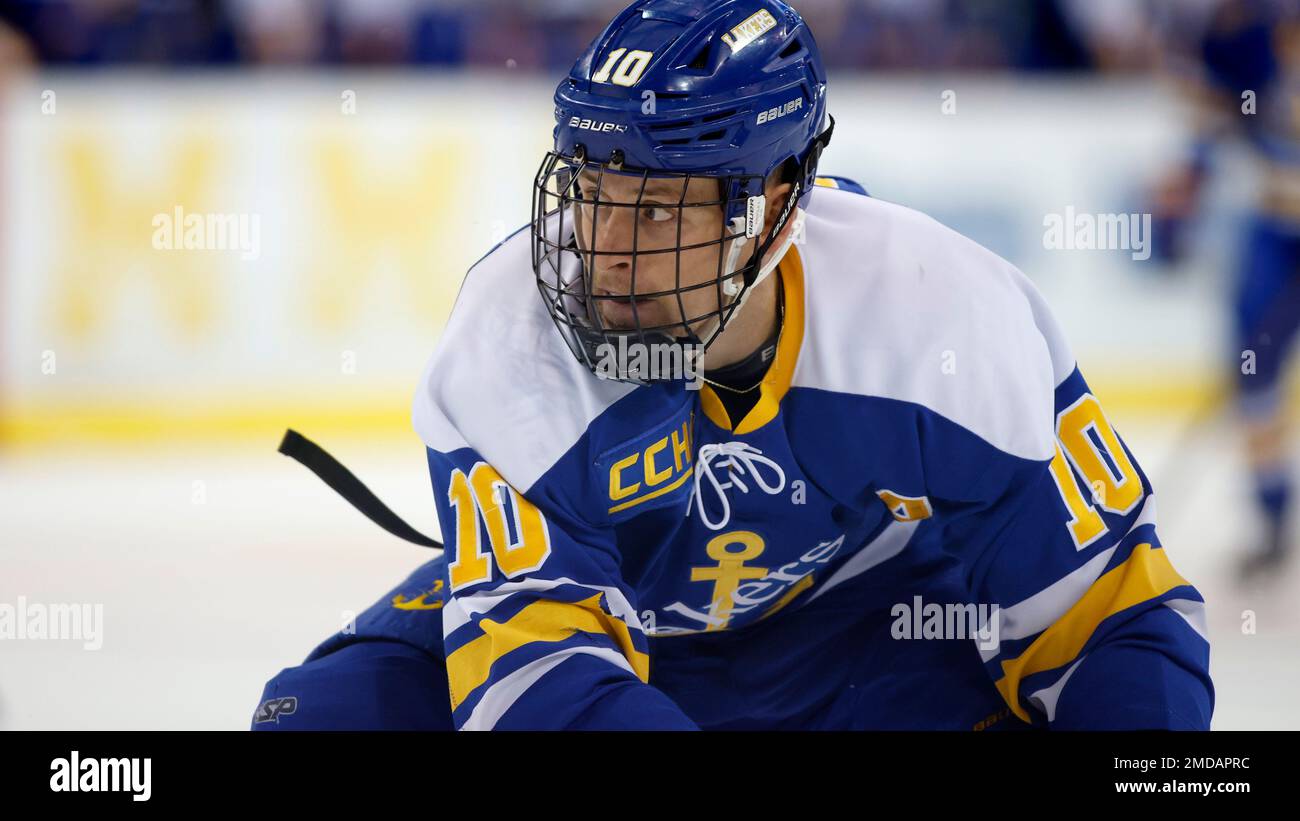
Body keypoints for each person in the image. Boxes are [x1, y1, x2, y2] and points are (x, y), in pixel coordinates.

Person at [254, 0, 1212, 731]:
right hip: (622, 634)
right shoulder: (509, 336)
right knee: (320, 717)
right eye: (594, 191)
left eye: (661, 208)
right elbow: (543, 674)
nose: (608, 250)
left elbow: (1117, 617)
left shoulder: (939, 313)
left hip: (865, 635)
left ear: (779, 202)